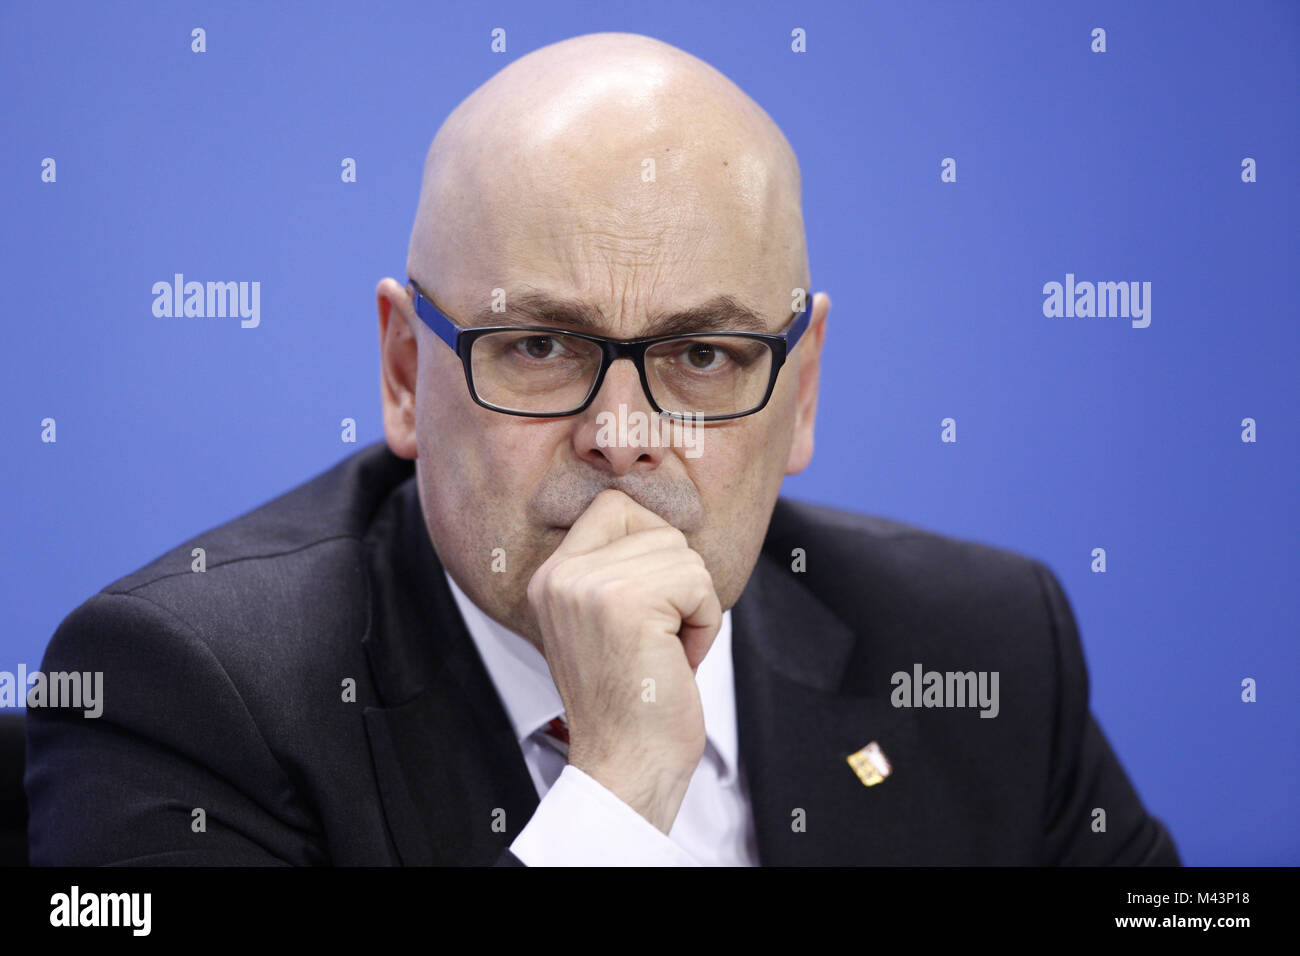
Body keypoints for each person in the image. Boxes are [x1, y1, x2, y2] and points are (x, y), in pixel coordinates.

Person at [25, 31, 1178, 866]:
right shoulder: (182, 696)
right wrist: (618, 794)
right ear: (402, 373)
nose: (622, 435)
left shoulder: (983, 648)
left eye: (705, 356)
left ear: (803, 387)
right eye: (538, 344)